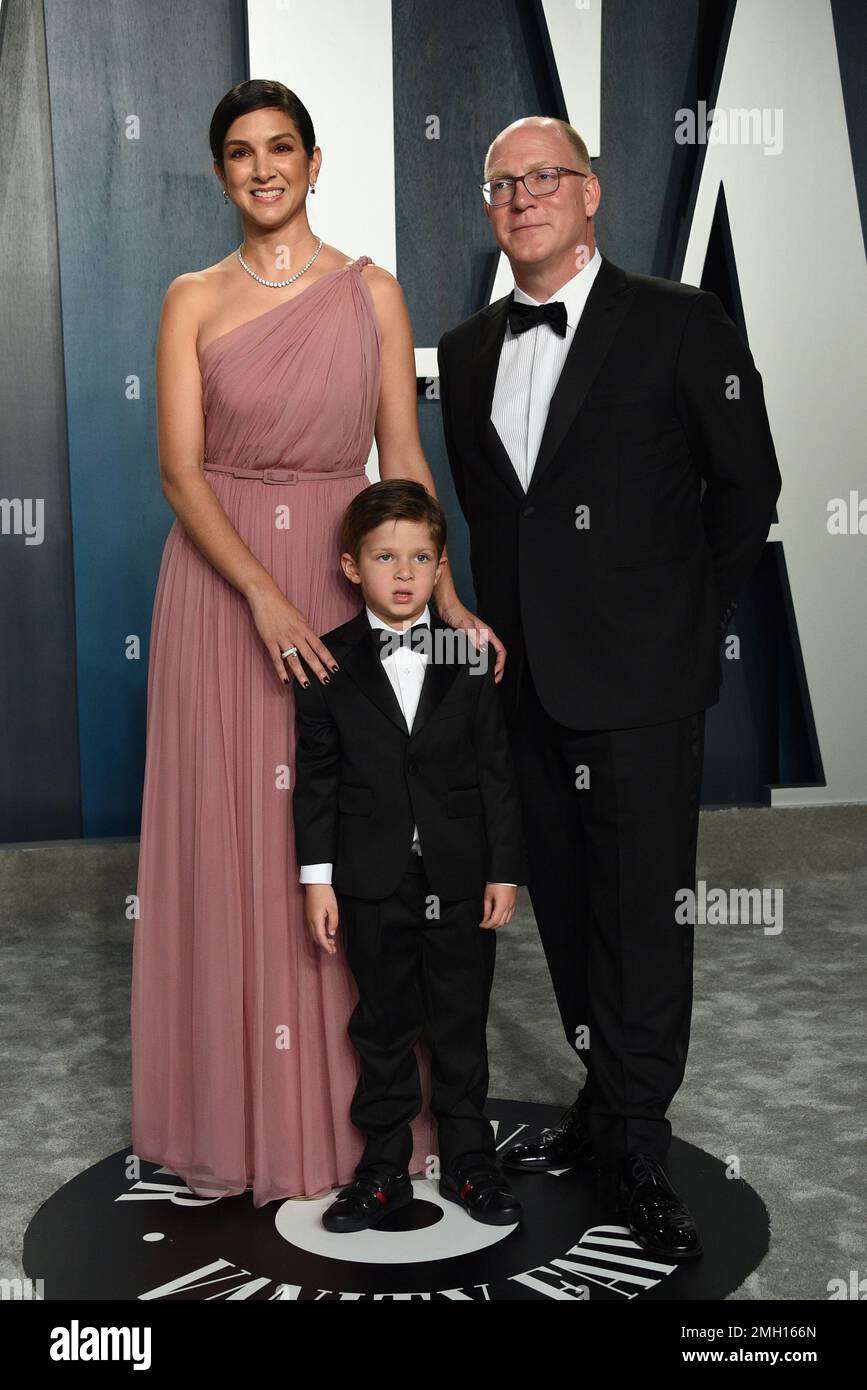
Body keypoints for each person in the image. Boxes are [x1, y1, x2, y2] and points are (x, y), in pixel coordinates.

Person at [130, 80, 501, 1207]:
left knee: (359, 827)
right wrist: (261, 596)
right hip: (224, 588)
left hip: (347, 576)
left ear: (315, 159)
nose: (261, 169)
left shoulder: (372, 293)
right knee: (239, 840)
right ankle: (241, 1114)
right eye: (238, 153)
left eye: (279, 148)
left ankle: (369, 1128)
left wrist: (446, 595)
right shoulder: (190, 297)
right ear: (218, 172)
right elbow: (179, 473)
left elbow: (402, 460)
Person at [437, 116, 782, 1257]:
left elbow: (746, 489)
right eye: (504, 182)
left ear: (592, 194)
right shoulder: (472, 344)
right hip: (526, 685)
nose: (523, 195)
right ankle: (601, 1104)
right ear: (491, 208)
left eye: (546, 177)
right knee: (575, 915)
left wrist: (688, 624)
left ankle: (637, 1140)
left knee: (642, 917)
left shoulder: (680, 322)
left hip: (640, 683)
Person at [292, 480, 527, 1229]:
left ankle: (468, 1160)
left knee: (459, 1019)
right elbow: (317, 779)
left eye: (419, 557)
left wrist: (502, 868)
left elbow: (497, 771)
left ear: (438, 568)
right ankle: (384, 1165)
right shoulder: (327, 661)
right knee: (383, 1024)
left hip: (459, 874)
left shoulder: (468, 655)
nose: (402, 573)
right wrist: (317, 880)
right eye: (385, 556)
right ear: (351, 566)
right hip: (368, 878)